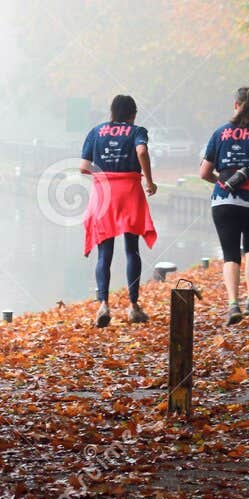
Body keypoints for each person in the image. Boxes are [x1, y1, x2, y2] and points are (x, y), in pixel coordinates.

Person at [199, 86, 249, 324]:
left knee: (230, 253)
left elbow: (204, 172)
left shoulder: (219, 133)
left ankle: (233, 303)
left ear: (235, 104)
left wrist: (222, 182)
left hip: (223, 201)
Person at [80, 94, 158, 327]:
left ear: (111, 112)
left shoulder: (95, 132)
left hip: (103, 194)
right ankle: (133, 306)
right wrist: (150, 182)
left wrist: (105, 175)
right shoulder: (136, 131)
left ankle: (103, 305)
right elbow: (142, 152)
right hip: (130, 192)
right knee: (132, 250)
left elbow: (83, 167)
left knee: (105, 252)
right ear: (132, 114)